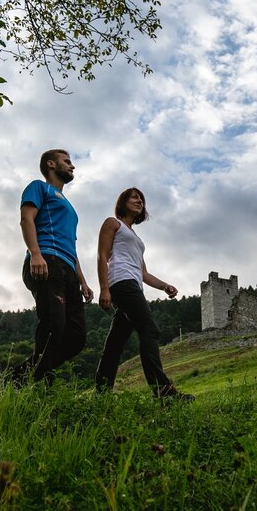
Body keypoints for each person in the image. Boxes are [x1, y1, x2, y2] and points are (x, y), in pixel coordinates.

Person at [94, 187, 194, 401]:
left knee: (115, 344)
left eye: (141, 199)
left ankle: (101, 396)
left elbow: (143, 273)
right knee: (149, 329)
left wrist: (165, 286)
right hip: (120, 282)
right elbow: (102, 256)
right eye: (134, 197)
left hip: (132, 283)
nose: (139, 201)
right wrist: (104, 288)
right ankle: (163, 392)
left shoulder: (136, 238)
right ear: (123, 201)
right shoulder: (112, 223)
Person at [18, 149, 94, 384]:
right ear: (51, 164)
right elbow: (26, 219)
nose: (72, 166)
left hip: (68, 268)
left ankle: (19, 378)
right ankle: (41, 385)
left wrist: (83, 281)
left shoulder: (70, 208)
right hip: (47, 261)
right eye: (67, 162)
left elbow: (72, 245)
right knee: (53, 326)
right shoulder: (39, 187)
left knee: (76, 336)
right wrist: (36, 254)